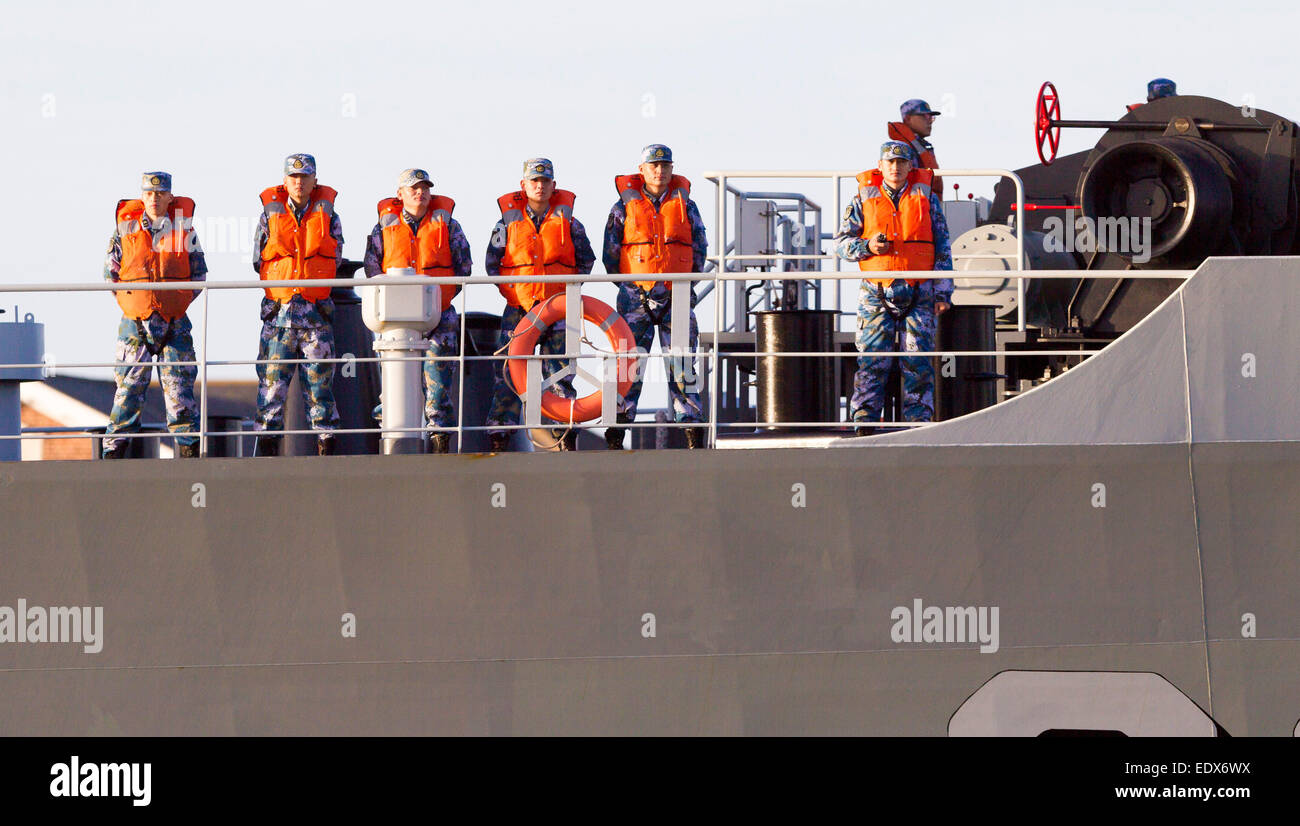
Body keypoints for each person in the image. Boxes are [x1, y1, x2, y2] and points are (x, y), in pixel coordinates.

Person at [834, 141, 953, 432]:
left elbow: (943, 248)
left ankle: (919, 424)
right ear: (881, 166)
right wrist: (868, 246)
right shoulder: (863, 199)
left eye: (901, 163)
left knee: (918, 362)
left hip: (919, 291)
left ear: (910, 166)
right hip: (877, 292)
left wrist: (943, 292)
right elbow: (840, 245)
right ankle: (864, 423)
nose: (895, 168)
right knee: (873, 361)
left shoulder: (927, 199)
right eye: (890, 163)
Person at [484, 158, 596, 452]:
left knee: (561, 372)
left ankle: (565, 432)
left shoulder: (570, 222)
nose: (540, 186)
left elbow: (586, 260)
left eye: (545, 182)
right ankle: (500, 433)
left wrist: (566, 294)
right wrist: (515, 296)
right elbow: (492, 264)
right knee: (508, 371)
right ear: (523, 186)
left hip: (558, 311)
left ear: (553, 186)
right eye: (534, 181)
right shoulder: (506, 223)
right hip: (519, 311)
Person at [601, 144, 709, 449]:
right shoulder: (622, 207)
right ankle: (617, 429)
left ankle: (691, 430)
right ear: (642, 170)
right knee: (629, 365)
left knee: (683, 364)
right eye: (653, 165)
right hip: (635, 298)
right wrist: (631, 286)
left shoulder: (687, 206)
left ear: (672, 169)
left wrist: (685, 283)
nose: (659, 170)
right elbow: (611, 254)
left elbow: (699, 247)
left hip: (677, 296)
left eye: (664, 165)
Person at [362, 168, 472, 454]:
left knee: (438, 377)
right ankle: (392, 435)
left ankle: (439, 438)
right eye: (413, 188)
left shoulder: (448, 226)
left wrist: (439, 298)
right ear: (400, 194)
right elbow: (372, 267)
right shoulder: (384, 226)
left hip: (439, 312)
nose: (420, 193)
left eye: (424, 188)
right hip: (394, 319)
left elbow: (464, 267)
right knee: (393, 378)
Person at [102, 171, 205, 459]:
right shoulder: (125, 229)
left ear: (170, 197)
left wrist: (176, 303)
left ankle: (188, 454)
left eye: (160, 194)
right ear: (142, 196)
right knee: (128, 391)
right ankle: (113, 454)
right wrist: (134, 304)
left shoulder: (185, 231)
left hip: (174, 324)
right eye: (149, 193)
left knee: (180, 393)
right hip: (135, 323)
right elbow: (110, 274)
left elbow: (199, 275)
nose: (154, 199)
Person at [251, 153, 343, 456]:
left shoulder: (329, 216)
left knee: (320, 390)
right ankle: (266, 455)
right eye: (294, 177)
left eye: (305, 177)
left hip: (315, 318)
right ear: (285, 181)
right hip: (279, 318)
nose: (299, 183)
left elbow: (336, 258)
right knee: (271, 388)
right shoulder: (269, 215)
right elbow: (257, 259)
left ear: (314, 181)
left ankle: (326, 451)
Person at [889, 99, 942, 197]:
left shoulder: (921, 146)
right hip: (913, 206)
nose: (930, 121)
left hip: (926, 205)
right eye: (925, 116)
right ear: (908, 118)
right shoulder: (900, 149)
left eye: (931, 117)